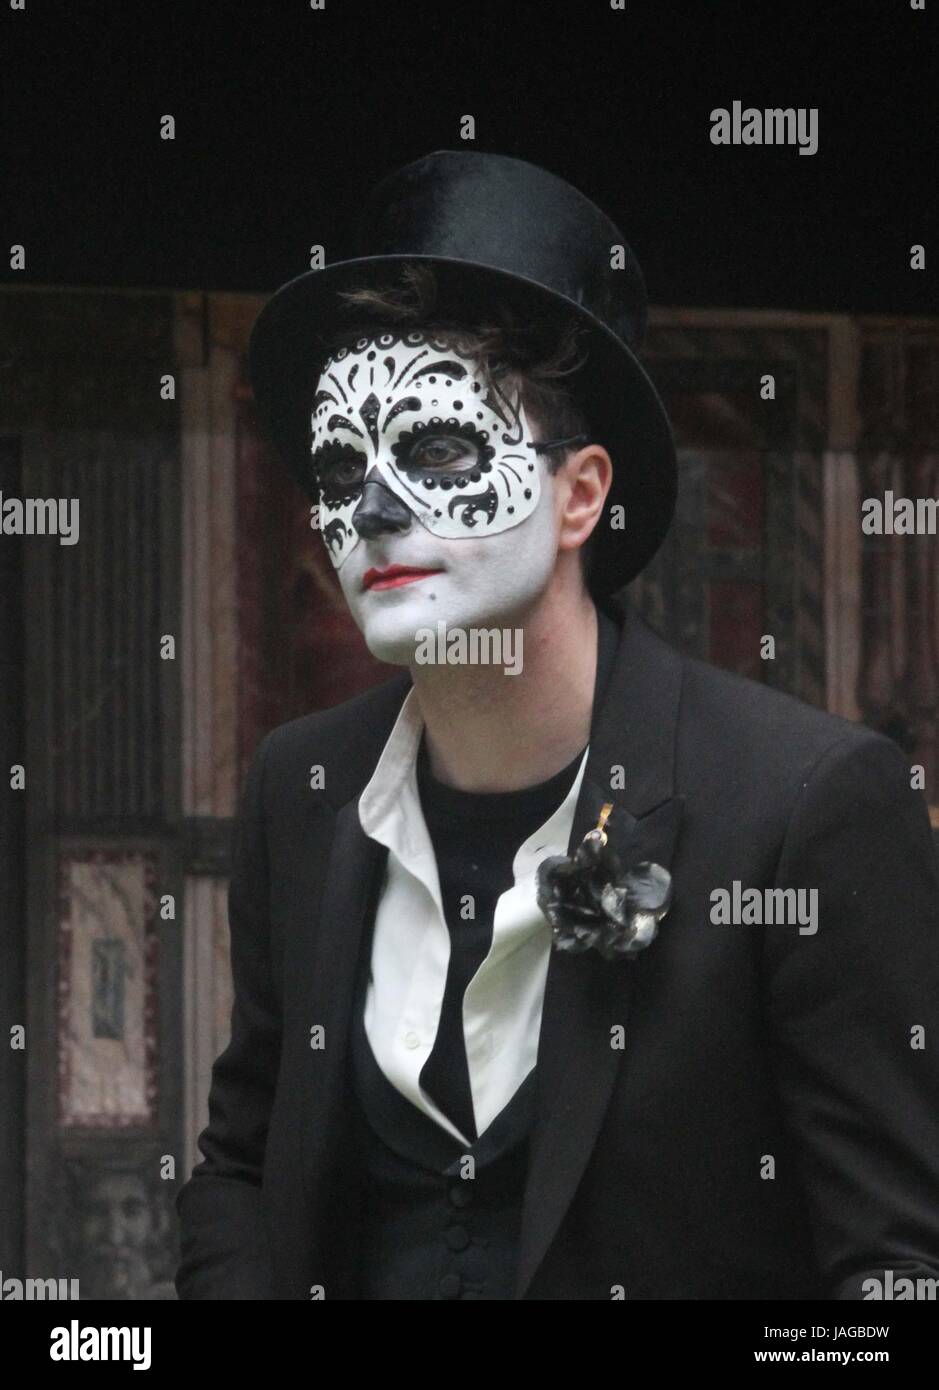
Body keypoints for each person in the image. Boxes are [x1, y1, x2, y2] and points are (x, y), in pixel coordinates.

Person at [175, 150, 939, 1300]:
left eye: (436, 449)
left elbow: (897, 1264)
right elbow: (240, 1163)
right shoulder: (305, 789)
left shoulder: (805, 806)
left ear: (581, 494)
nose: (372, 510)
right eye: (339, 466)